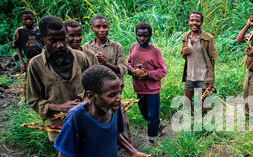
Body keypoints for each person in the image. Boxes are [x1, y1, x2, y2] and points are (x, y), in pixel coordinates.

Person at [26, 16, 90, 142]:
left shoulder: (80, 58)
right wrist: (60, 107)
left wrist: (84, 103)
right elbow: (33, 100)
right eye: (53, 41)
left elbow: (93, 88)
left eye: (62, 39)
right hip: (59, 126)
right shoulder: (36, 65)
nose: (60, 45)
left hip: (86, 120)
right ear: (42, 38)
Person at [83, 14, 132, 143]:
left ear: (108, 28)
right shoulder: (86, 48)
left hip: (113, 91)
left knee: (120, 116)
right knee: (97, 116)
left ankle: (127, 144)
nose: (102, 30)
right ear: (92, 28)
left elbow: (123, 69)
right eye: (98, 27)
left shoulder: (116, 47)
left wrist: (106, 64)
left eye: (105, 26)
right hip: (95, 91)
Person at [128, 22, 167, 144]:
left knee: (151, 116)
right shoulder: (133, 48)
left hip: (152, 90)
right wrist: (132, 70)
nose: (142, 39)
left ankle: (152, 140)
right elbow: (129, 63)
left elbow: (162, 71)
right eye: (139, 35)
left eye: (145, 36)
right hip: (139, 88)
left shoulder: (155, 51)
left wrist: (148, 74)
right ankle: (158, 123)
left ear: (150, 35)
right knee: (145, 114)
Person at [181, 11, 219, 115]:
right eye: (192, 20)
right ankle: (190, 124)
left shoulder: (208, 38)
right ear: (188, 22)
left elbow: (212, 59)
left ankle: (203, 126)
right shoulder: (186, 37)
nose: (194, 23)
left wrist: (211, 80)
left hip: (203, 76)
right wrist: (184, 52)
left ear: (201, 23)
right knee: (187, 102)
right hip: (189, 76)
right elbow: (185, 56)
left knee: (202, 105)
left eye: (197, 21)